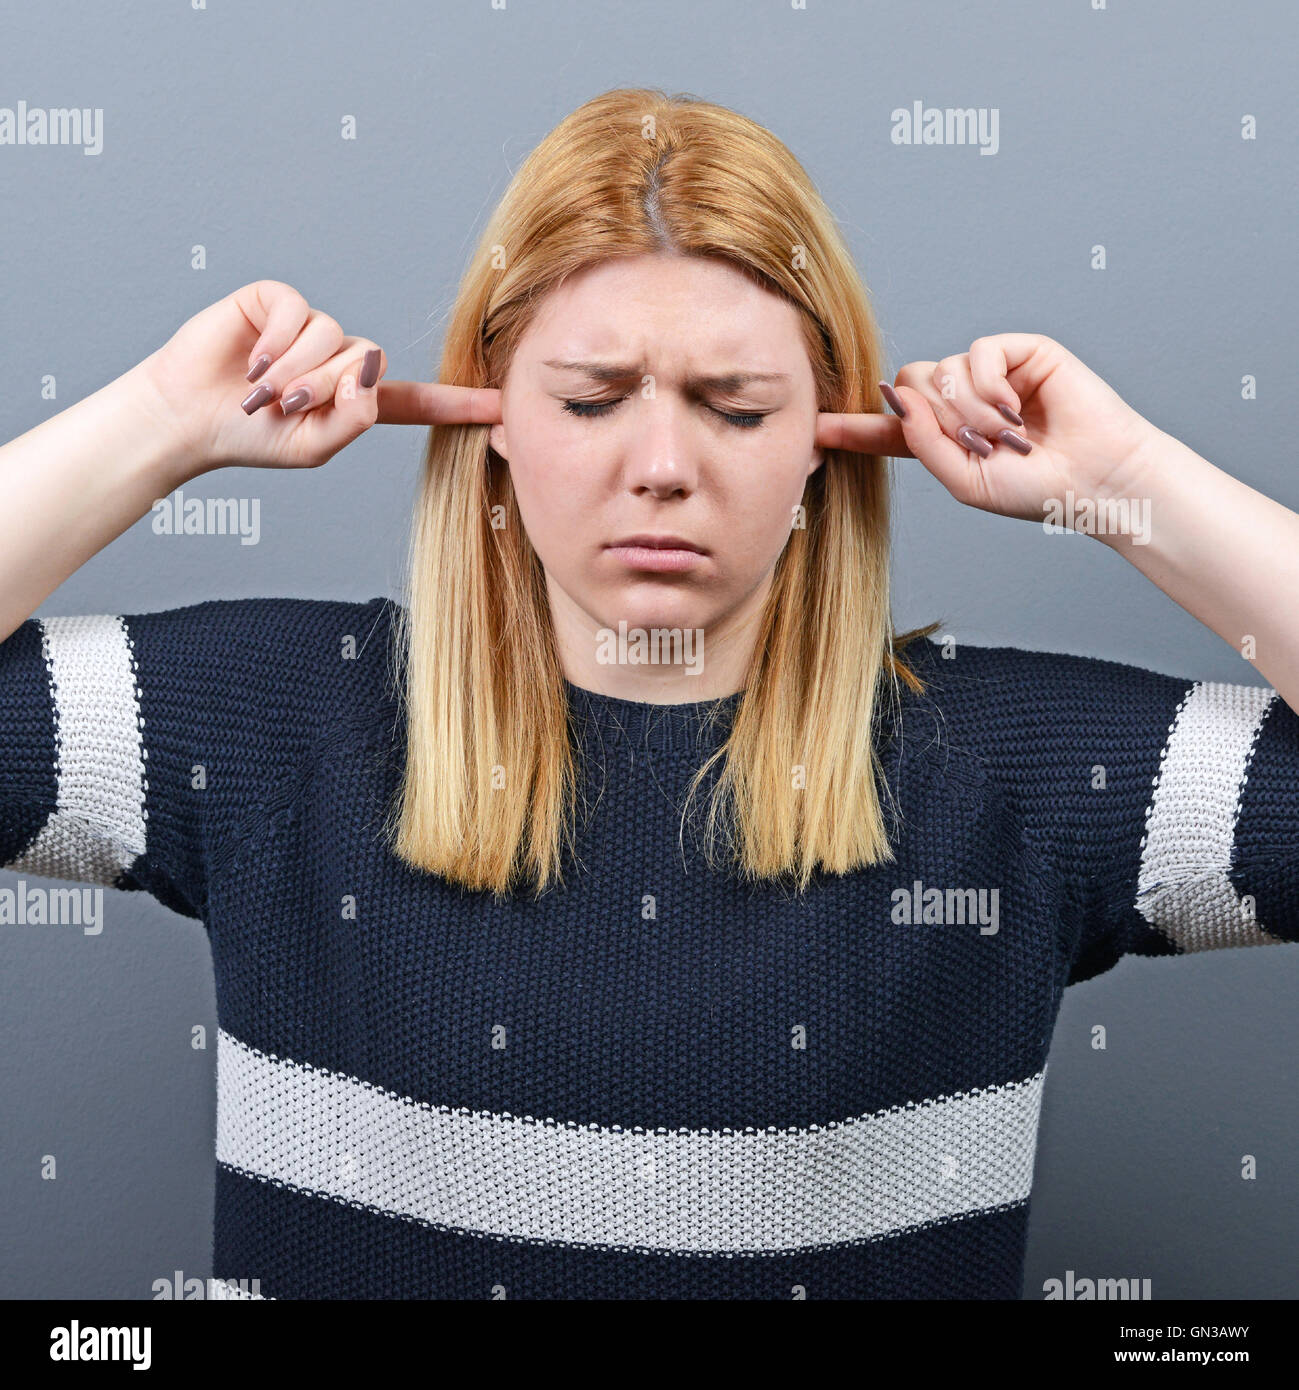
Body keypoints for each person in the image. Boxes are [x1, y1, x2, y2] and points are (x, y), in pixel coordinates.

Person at [1, 87, 1295, 1301]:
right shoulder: (275, 724)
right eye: (591, 397)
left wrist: (1126, 479)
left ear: (829, 441)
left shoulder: (1016, 775)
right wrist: (163, 420)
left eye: (736, 408)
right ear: (488, 413)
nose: (663, 465)